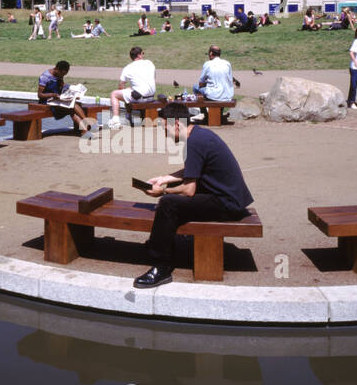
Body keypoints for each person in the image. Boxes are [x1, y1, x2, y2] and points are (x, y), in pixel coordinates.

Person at [133, 102, 255, 288]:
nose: (164, 133)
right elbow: (192, 169)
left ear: (176, 124)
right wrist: (164, 178)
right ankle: (162, 242)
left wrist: (162, 191)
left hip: (227, 204)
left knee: (168, 203)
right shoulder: (198, 135)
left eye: (164, 127)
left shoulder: (193, 143)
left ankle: (161, 266)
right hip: (229, 197)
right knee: (174, 202)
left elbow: (189, 189)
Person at [37, 60, 94, 136]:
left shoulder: (59, 75)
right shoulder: (45, 77)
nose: (62, 76)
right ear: (57, 69)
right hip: (47, 102)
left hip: (57, 100)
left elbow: (62, 85)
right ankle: (86, 125)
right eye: (62, 74)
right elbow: (40, 95)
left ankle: (85, 129)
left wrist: (72, 90)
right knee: (72, 107)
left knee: (73, 106)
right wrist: (52, 95)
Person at [108, 46, 156, 129]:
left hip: (140, 98)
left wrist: (125, 90)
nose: (143, 55)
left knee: (114, 94)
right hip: (151, 97)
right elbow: (153, 78)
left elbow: (121, 85)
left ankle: (116, 120)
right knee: (129, 91)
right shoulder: (149, 63)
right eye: (143, 53)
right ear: (140, 55)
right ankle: (128, 116)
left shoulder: (128, 67)